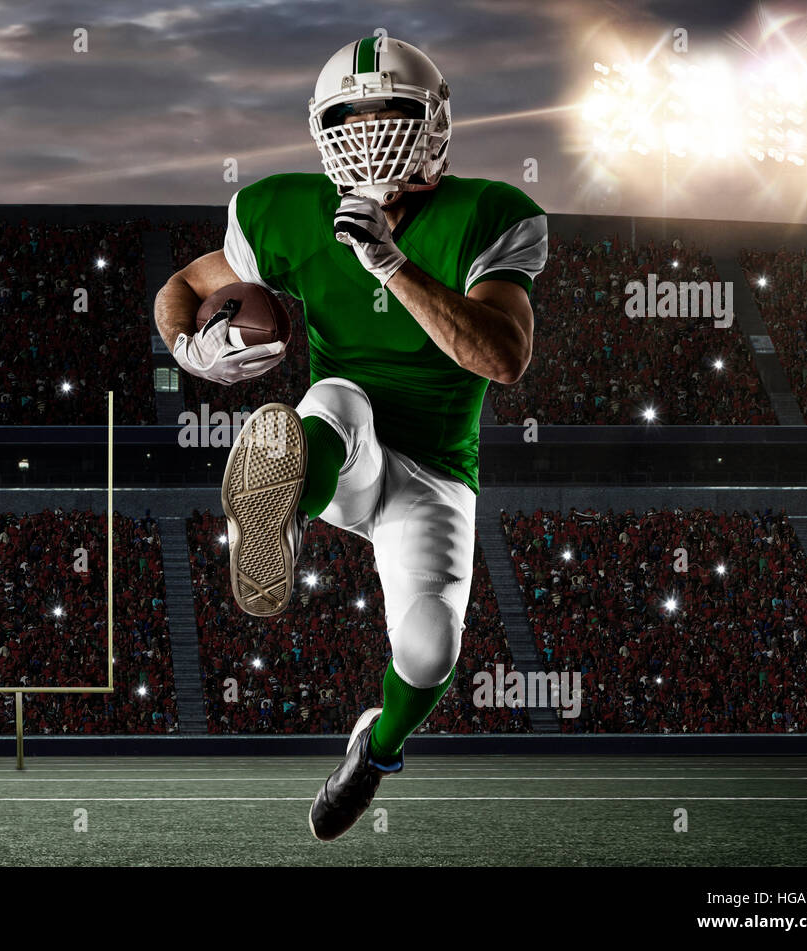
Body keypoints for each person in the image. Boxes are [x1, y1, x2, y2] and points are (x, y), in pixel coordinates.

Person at [155, 36, 547, 841]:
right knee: (334, 400)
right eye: (351, 115)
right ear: (321, 128)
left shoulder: (491, 213)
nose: (370, 131)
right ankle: (285, 510)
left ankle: (374, 750)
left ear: (432, 123)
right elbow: (186, 286)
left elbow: (504, 358)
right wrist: (189, 348)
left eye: (391, 111)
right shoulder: (288, 209)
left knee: (433, 648)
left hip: (437, 470)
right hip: (346, 452)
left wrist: (395, 267)